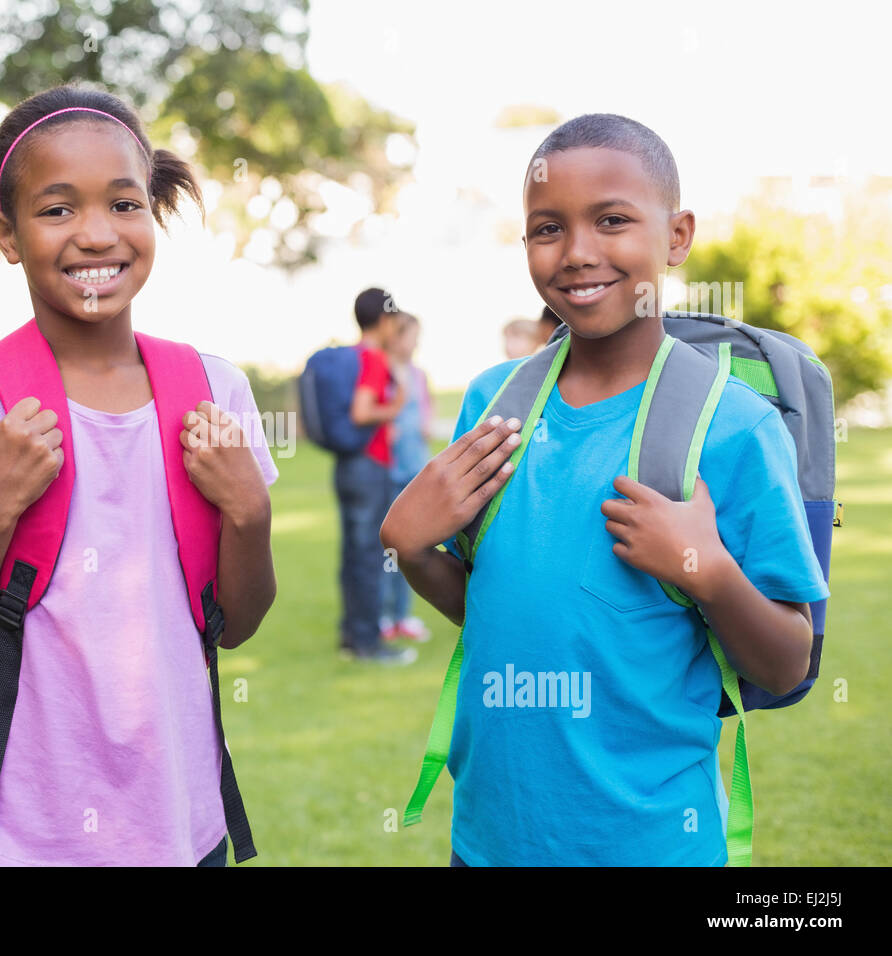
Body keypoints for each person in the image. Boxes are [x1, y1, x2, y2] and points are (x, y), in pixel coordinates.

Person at [381, 114, 827, 865]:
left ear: (677, 235)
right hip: (491, 839)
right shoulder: (494, 405)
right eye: (547, 227)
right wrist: (411, 547)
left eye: (612, 221)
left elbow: (786, 664)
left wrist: (708, 573)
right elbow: (500, 610)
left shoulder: (735, 427)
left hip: (652, 844)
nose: (578, 252)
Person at [0, 85, 279, 867]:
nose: (96, 235)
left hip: (179, 822)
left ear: (153, 214)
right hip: (16, 835)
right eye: (58, 209)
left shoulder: (214, 390)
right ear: (7, 234)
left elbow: (236, 626)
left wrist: (250, 515)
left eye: (124, 205)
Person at [337, 288, 415, 665]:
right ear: (384, 321)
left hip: (350, 466)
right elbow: (362, 411)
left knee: (354, 553)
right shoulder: (372, 358)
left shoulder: (353, 356)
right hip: (371, 466)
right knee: (370, 555)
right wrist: (396, 405)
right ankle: (369, 644)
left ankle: (352, 635)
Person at [379, 311, 431, 643]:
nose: (416, 342)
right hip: (387, 469)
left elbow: (425, 410)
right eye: (412, 335)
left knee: (410, 547)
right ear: (396, 337)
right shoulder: (382, 371)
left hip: (415, 468)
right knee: (384, 551)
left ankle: (403, 615)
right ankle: (382, 616)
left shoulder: (419, 374)